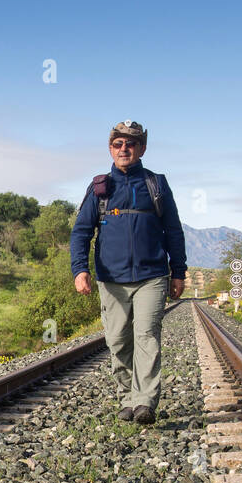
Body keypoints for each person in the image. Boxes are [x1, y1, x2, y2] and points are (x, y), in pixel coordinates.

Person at [70, 120, 186, 424]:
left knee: (146, 336)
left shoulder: (156, 184)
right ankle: (127, 398)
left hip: (152, 276)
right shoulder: (99, 188)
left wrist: (179, 271)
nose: (125, 149)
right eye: (119, 144)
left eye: (131, 143)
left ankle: (145, 402)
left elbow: (173, 230)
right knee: (118, 340)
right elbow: (81, 232)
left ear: (142, 148)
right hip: (112, 280)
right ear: (111, 148)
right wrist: (80, 270)